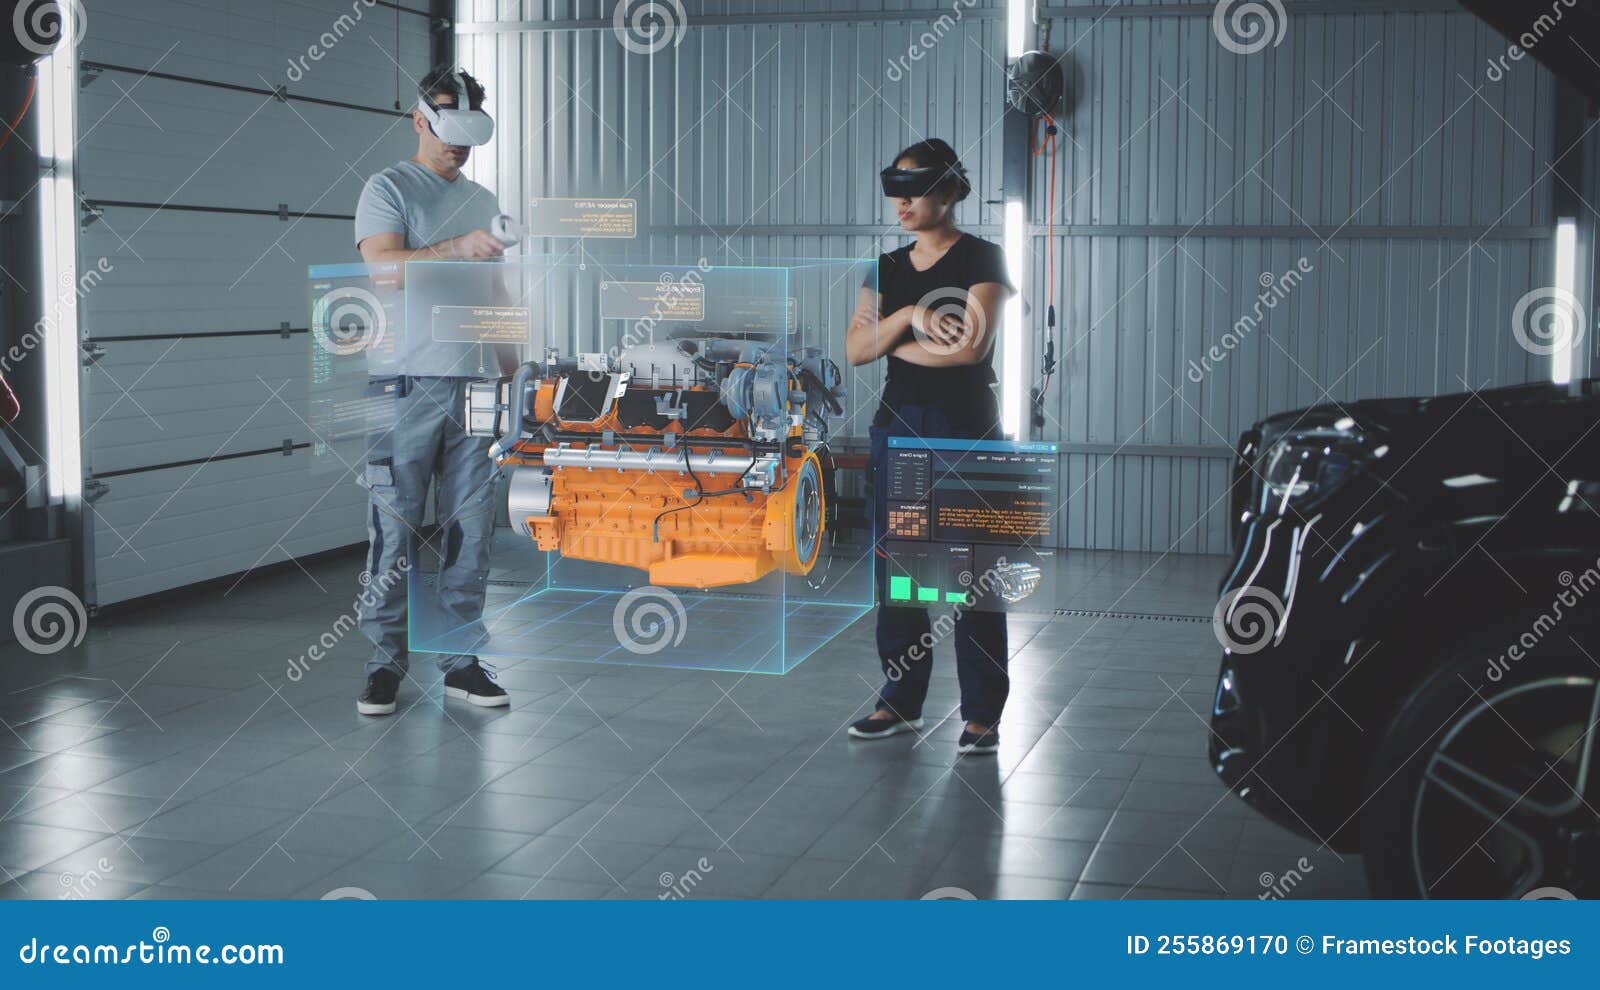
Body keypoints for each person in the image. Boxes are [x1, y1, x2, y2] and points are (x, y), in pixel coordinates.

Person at [844, 138, 1013, 755]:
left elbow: (970, 348)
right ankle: (900, 700)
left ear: (948, 191)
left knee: (972, 577)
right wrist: (912, 314)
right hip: (901, 424)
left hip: (967, 424)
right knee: (900, 575)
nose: (902, 203)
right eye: (896, 191)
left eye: (915, 190)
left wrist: (889, 335)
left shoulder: (983, 259)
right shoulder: (886, 270)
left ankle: (981, 716)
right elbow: (856, 351)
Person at [351, 66, 511, 716]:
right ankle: (384, 665)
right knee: (394, 529)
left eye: (469, 137)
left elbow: (495, 291)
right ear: (420, 120)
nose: (458, 148)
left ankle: (461, 664)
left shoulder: (482, 196)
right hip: (405, 383)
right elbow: (385, 270)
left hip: (476, 383)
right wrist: (456, 247)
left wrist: (516, 373)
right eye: (448, 132)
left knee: (471, 531)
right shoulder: (387, 188)